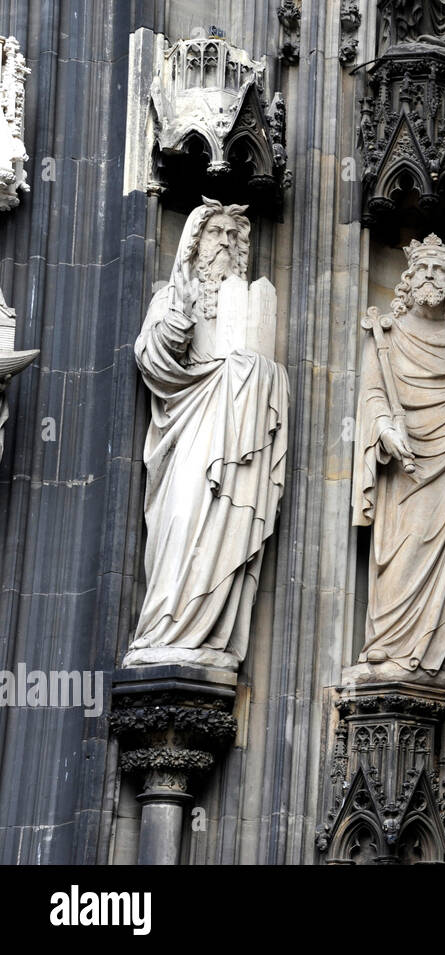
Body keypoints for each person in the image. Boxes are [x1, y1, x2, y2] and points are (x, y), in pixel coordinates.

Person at [126, 199, 289, 670]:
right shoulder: (174, 297)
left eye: (231, 236)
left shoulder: (250, 297)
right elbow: (151, 360)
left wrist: (259, 373)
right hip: (190, 425)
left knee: (225, 523)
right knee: (180, 517)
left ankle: (209, 632)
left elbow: (268, 374)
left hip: (236, 427)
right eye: (215, 232)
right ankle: (165, 624)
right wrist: (171, 334)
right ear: (194, 244)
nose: (224, 242)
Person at [350, 234, 445, 685]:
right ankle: (389, 647)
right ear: (409, 280)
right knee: (400, 554)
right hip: (404, 470)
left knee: (437, 553)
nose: (431, 278)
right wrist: (385, 430)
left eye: (440, 271)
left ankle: (425, 657)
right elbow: (373, 395)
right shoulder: (387, 337)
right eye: (423, 270)